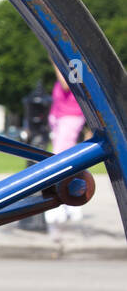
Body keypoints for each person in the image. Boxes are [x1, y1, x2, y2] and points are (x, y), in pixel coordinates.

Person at [45, 65, 86, 239]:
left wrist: (54, 62)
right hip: (61, 115)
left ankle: (65, 203)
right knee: (64, 160)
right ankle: (69, 203)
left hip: (71, 114)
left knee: (61, 162)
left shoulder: (75, 59)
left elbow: (67, 84)